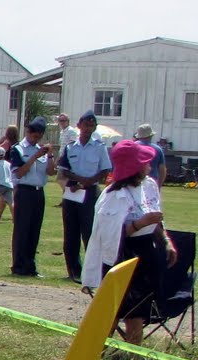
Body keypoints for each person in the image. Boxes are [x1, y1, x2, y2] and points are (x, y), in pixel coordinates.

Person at [83, 141, 178, 345]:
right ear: (133, 167)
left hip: (146, 255)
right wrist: (140, 223)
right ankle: (95, 354)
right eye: (144, 162)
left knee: (138, 313)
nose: (149, 166)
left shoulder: (149, 186)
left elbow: (156, 218)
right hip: (123, 256)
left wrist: (166, 241)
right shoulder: (115, 196)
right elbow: (111, 236)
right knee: (115, 312)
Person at [54, 111, 112, 283]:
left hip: (90, 191)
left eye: (91, 125)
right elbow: (63, 169)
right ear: (78, 126)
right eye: (85, 125)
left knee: (89, 232)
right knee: (70, 232)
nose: (88, 128)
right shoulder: (71, 146)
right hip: (73, 191)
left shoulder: (99, 147)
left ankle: (92, 270)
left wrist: (88, 182)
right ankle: (73, 270)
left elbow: (105, 169)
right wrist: (79, 180)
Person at [6, 117, 53, 277]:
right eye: (34, 136)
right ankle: (18, 265)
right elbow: (19, 172)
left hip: (39, 191)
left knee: (34, 229)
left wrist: (50, 156)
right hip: (24, 191)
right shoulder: (18, 149)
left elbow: (50, 172)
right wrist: (34, 156)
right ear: (28, 132)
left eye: (39, 136)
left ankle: (30, 265)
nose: (36, 139)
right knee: (22, 229)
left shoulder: (42, 150)